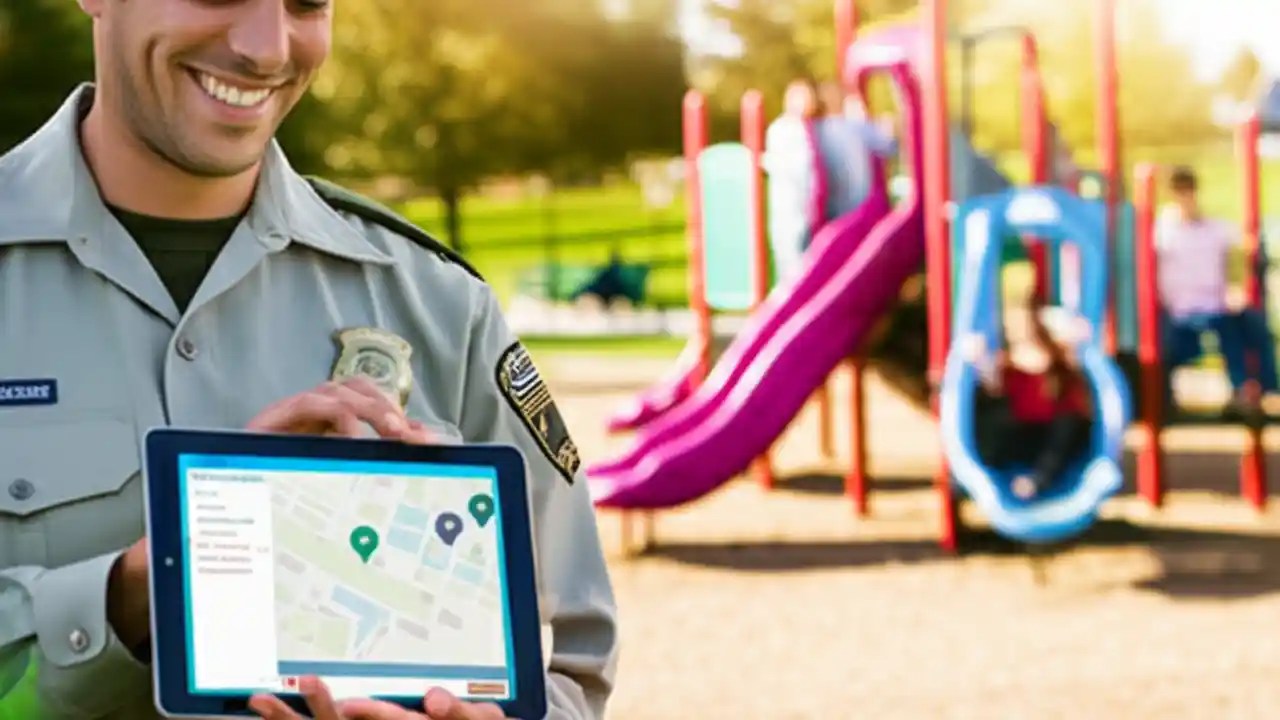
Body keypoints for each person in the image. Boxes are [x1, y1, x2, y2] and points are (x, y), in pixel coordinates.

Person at [0, 1, 617, 719]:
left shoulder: (440, 305)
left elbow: (571, 663)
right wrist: (147, 584)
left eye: (307, 3)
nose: (266, 48)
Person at [1156, 165, 1278, 417]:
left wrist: (1239, 286)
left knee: (1252, 324)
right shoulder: (1165, 230)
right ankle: (1245, 389)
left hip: (1214, 305)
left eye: (1187, 191)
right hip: (1183, 311)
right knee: (1228, 329)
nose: (1184, 198)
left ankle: (1260, 391)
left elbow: (1246, 246)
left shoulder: (1212, 229)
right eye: (1179, 192)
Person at [967, 291, 1094, 500]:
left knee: (1066, 426)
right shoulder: (1006, 364)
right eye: (1014, 328)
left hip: (1058, 436)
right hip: (1026, 435)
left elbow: (1075, 360)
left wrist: (1073, 336)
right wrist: (978, 359)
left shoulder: (1060, 357)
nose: (1020, 331)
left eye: (1026, 325)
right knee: (996, 420)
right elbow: (991, 386)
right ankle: (990, 471)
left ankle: (1039, 479)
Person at [763, 77, 826, 281]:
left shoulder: (812, 128)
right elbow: (787, 166)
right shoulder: (782, 129)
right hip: (789, 210)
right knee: (791, 258)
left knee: (808, 259)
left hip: (808, 208)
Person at [813, 82, 897, 222]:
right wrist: (889, 122)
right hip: (855, 205)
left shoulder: (817, 130)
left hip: (832, 207)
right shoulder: (854, 126)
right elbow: (887, 144)